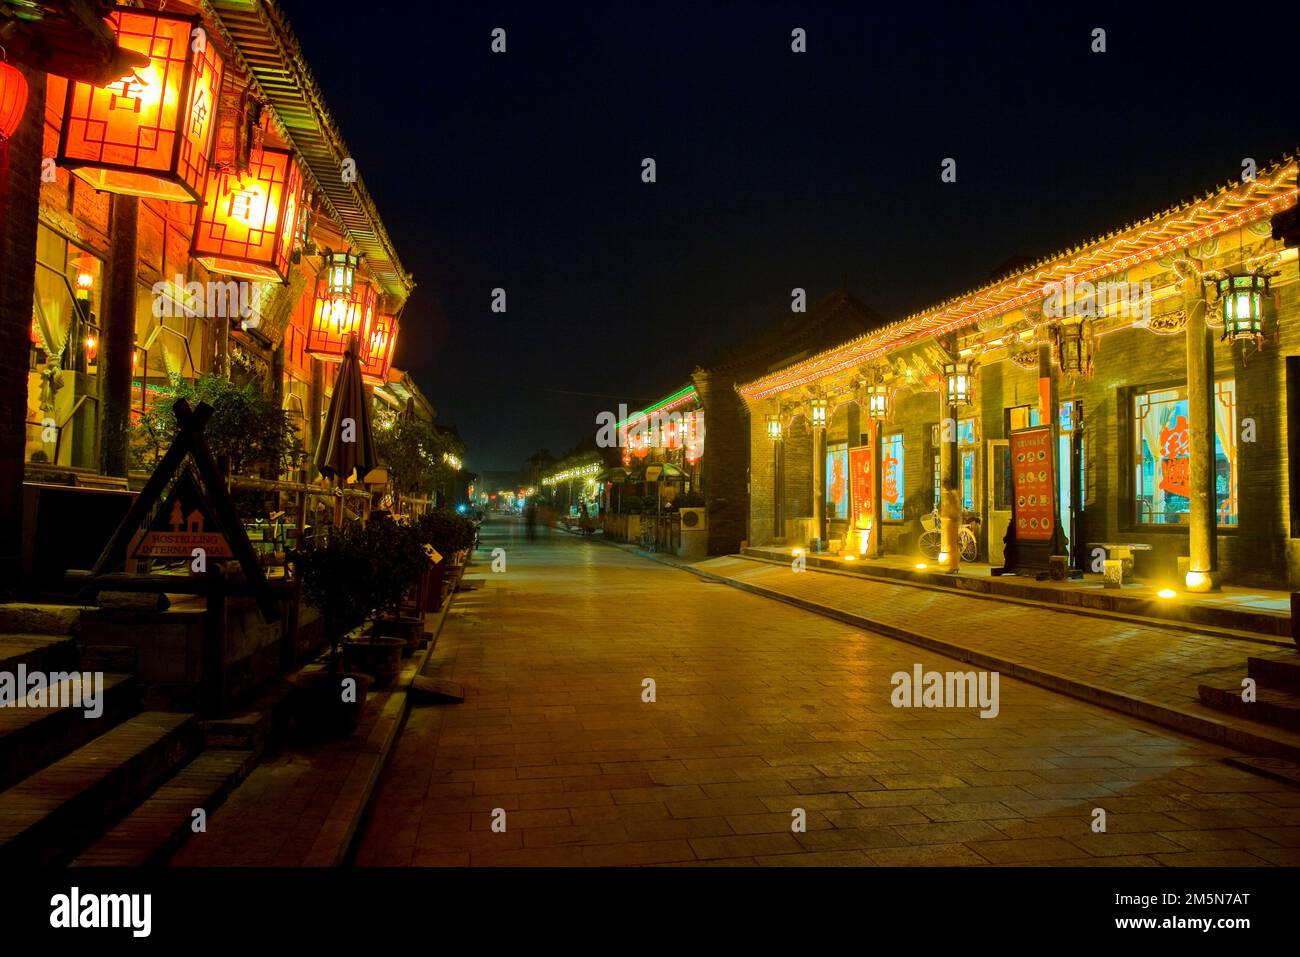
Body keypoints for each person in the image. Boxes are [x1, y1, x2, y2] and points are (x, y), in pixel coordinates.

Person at [939, 477, 963, 574]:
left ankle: (953, 567)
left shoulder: (951, 494)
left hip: (953, 520)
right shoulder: (953, 493)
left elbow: (955, 507)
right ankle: (955, 565)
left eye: (944, 484)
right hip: (952, 519)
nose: (943, 486)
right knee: (953, 544)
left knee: (951, 544)